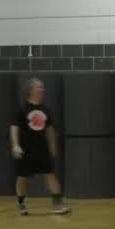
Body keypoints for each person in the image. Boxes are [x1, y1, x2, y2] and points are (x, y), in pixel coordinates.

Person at [11, 78, 70, 216]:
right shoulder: (22, 110)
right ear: (31, 90)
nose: (42, 90)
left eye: (42, 88)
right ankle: (21, 204)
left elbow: (49, 129)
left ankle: (58, 204)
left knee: (50, 175)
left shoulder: (46, 110)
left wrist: (53, 145)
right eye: (39, 87)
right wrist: (15, 145)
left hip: (42, 149)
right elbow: (14, 127)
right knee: (22, 178)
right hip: (26, 149)